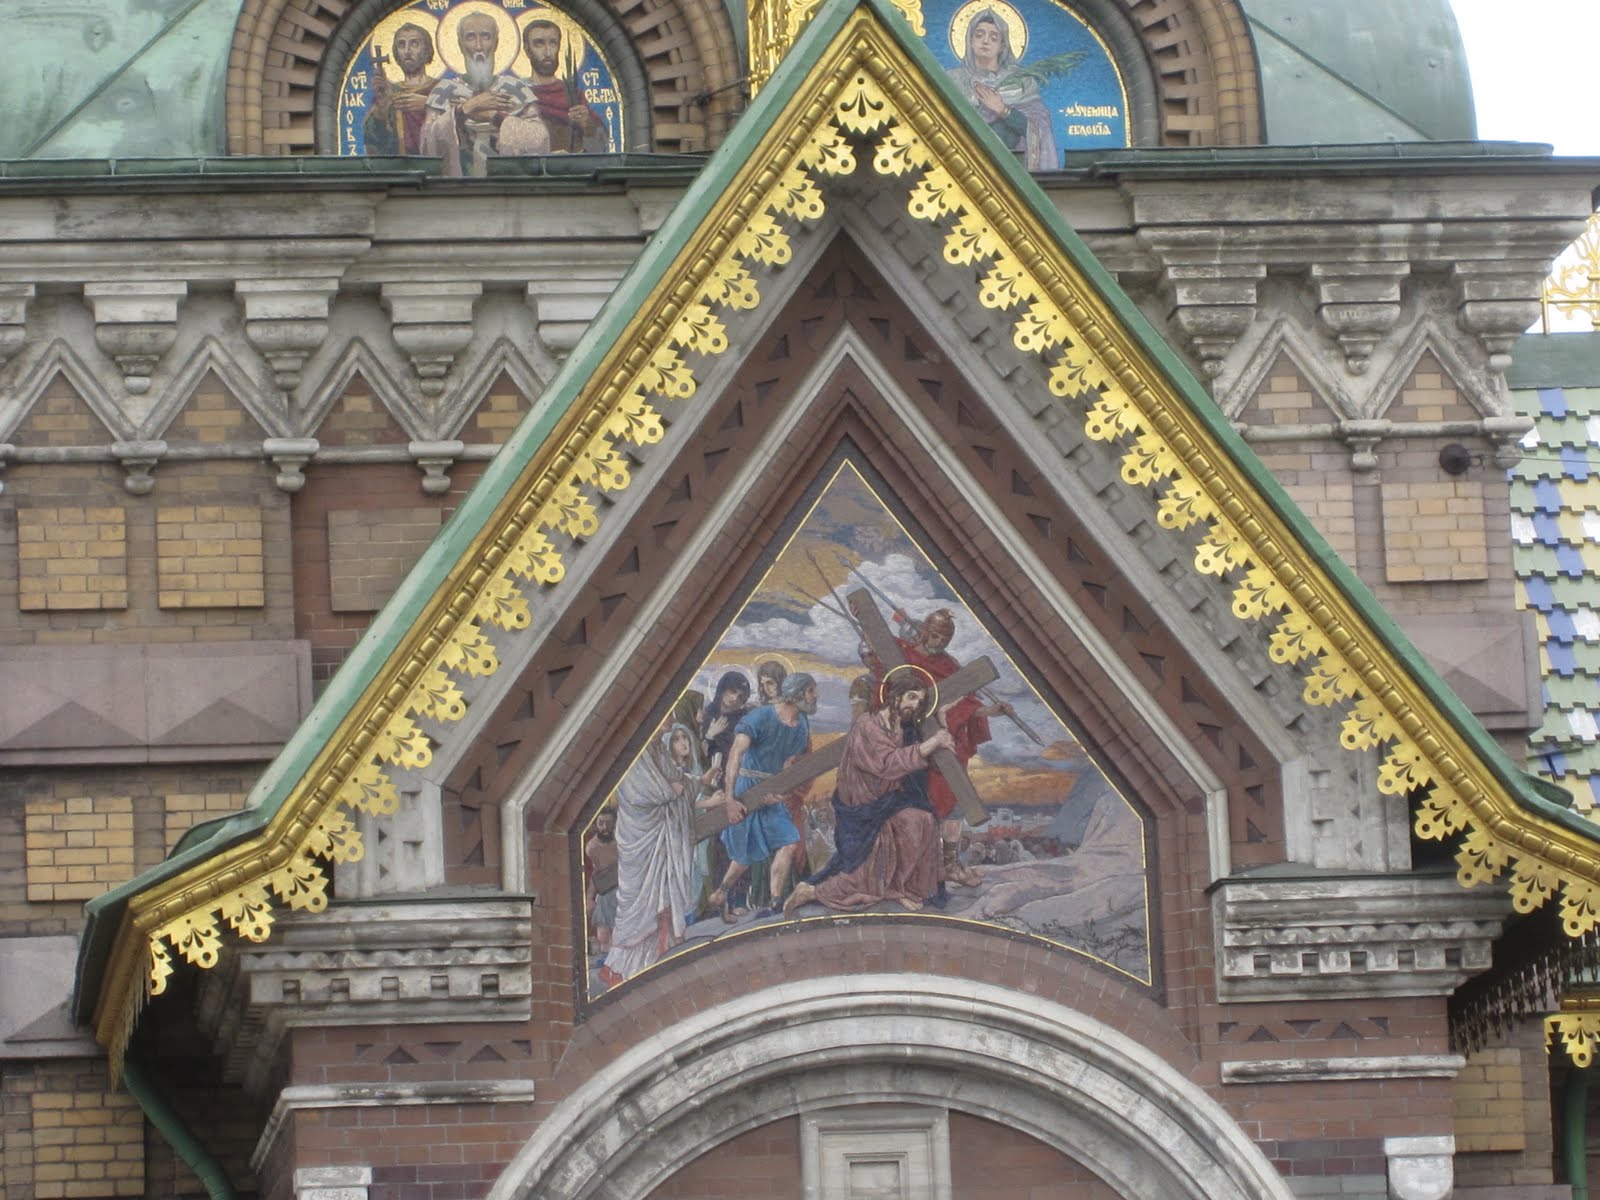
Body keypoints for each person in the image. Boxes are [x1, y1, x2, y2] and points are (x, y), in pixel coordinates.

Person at [786, 672, 955, 914]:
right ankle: (811, 892)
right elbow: (886, 763)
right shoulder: (868, 724)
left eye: (920, 700)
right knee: (866, 876)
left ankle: (901, 888)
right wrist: (933, 742)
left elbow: (927, 761)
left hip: (887, 803)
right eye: (911, 696)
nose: (915, 704)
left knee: (924, 821)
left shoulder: (906, 728)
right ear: (895, 696)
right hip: (862, 810)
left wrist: (942, 726)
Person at [893, 609, 1013, 888]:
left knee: (955, 805)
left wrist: (992, 710)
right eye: (935, 635)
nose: (938, 642)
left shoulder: (949, 666)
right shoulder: (903, 656)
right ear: (924, 631)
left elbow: (967, 703)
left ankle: (950, 866)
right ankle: (918, 869)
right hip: (914, 745)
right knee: (919, 809)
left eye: (944, 639)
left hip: (947, 745)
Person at [598, 723, 715, 986]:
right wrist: (669, 791)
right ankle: (628, 968)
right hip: (643, 840)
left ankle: (665, 955)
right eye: (666, 721)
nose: (668, 721)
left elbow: (679, 780)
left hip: (663, 838)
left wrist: (699, 782)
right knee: (643, 905)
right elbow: (638, 791)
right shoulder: (634, 752)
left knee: (665, 899)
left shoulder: (657, 749)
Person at [708, 673, 817, 918]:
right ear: (797, 694)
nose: (815, 696)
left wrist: (783, 794)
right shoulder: (760, 717)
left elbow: (789, 765)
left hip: (772, 790)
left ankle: (775, 903)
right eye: (811, 691)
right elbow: (735, 755)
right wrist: (730, 800)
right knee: (744, 853)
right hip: (746, 789)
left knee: (789, 842)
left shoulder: (801, 725)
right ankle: (722, 891)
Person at [420, 12, 548, 175]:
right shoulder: (445, 91)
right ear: (460, 44)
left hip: (508, 184)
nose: (479, 46)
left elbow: (540, 141)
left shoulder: (515, 89)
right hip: (456, 185)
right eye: (470, 37)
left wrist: (496, 117)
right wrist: (465, 109)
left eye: (486, 36)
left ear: (496, 42)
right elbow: (427, 144)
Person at [947, 7, 1057, 171]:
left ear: (1002, 46)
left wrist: (1002, 110)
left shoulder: (1021, 82)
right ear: (970, 40)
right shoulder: (952, 79)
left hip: (1010, 169)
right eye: (979, 35)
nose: (985, 41)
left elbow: (1038, 127)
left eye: (994, 37)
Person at [520, 19, 606, 153]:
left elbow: (600, 144)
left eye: (552, 43)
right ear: (527, 49)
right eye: (539, 44)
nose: (547, 52)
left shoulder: (573, 95)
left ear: (559, 47)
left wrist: (586, 123)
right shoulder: (518, 92)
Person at [363, 23, 439, 155]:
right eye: (401, 45)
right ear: (396, 54)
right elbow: (375, 143)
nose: (407, 51)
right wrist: (382, 107)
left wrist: (429, 104)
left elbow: (459, 123)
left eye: (414, 44)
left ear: (427, 51)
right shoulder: (390, 92)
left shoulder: (442, 88)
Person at [583, 807, 617, 956]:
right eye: (601, 823)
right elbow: (596, 874)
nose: (605, 827)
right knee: (603, 936)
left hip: (625, 889)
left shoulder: (622, 841)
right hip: (605, 892)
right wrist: (589, 897)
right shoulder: (592, 847)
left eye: (609, 823)